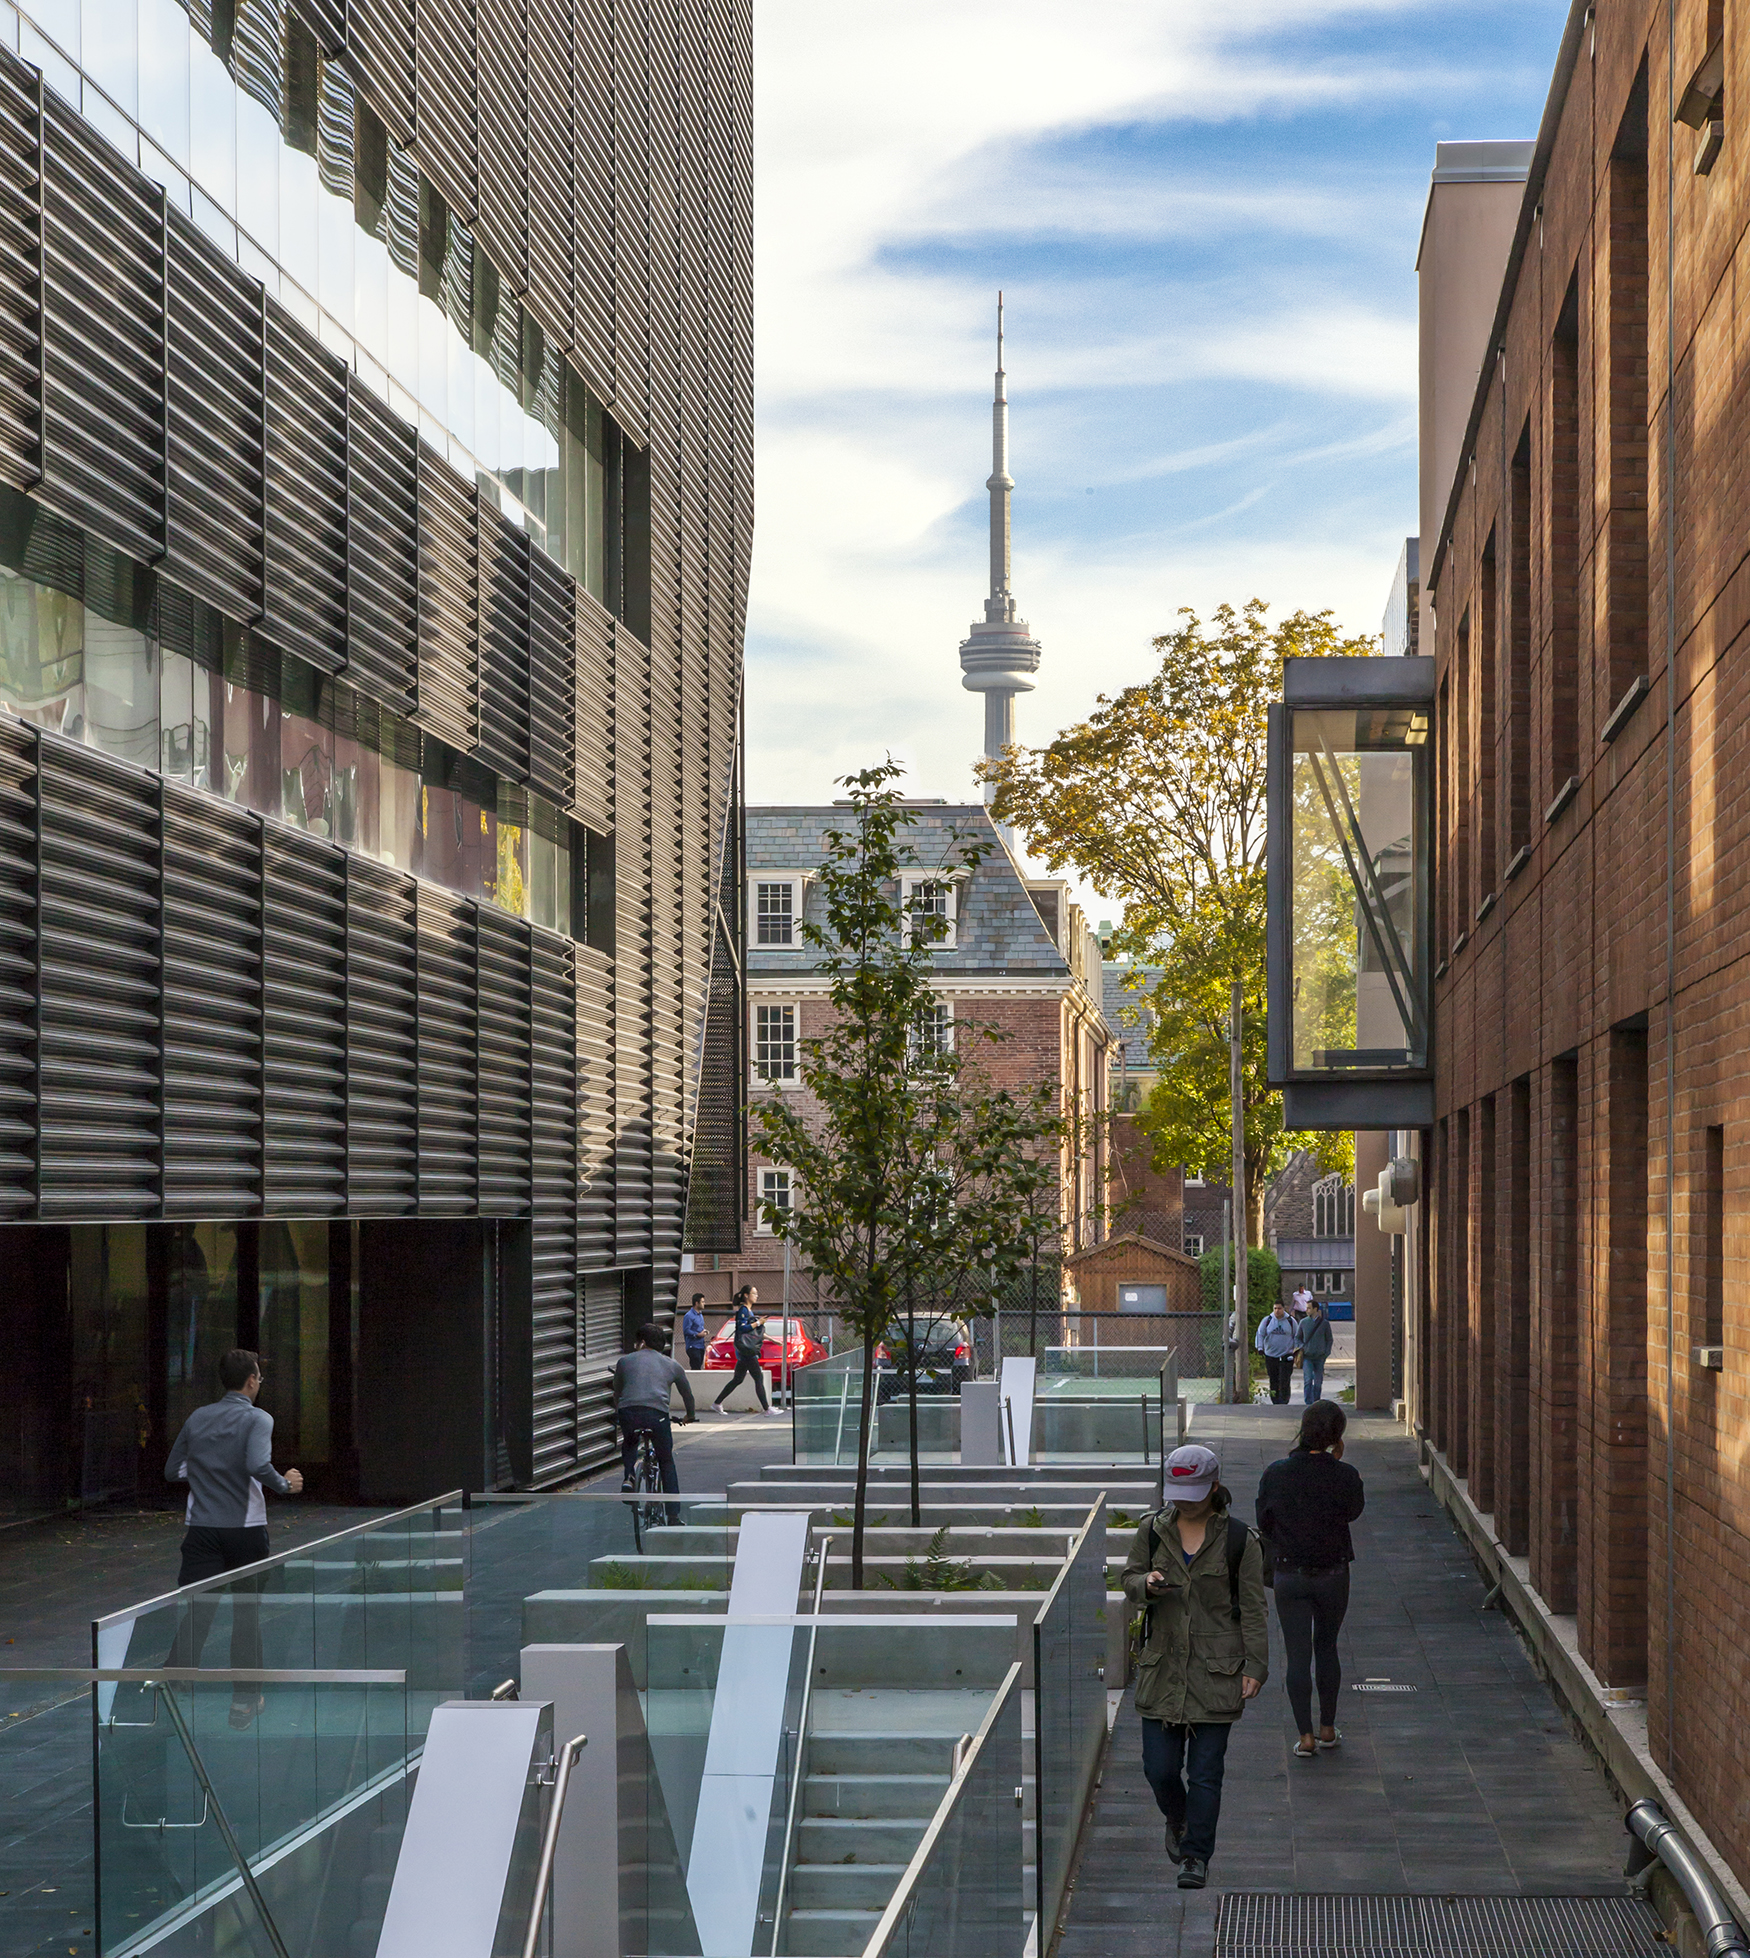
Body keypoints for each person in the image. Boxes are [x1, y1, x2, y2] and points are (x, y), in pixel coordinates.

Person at [1120, 1443, 1268, 1891]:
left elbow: (1254, 1609)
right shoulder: (1151, 1530)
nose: (1185, 1502)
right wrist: (1145, 1584)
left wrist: (1256, 1666)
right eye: (1178, 1494)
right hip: (1162, 1670)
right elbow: (1128, 1578)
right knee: (1159, 1769)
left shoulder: (1240, 1540)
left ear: (1215, 1487)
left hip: (1216, 1671)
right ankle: (1178, 1818)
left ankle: (1196, 1856)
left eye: (1194, 1494)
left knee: (1206, 1774)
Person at [163, 1349, 303, 1724]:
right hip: (246, 1532)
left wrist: (209, 1468)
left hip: (202, 1529)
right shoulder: (258, 1418)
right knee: (246, 1614)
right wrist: (284, 1484)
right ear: (251, 1380)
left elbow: (173, 1470)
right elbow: (257, 1464)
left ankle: (173, 1686)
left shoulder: (197, 1417)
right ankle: (244, 1699)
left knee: (199, 1610)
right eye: (260, 1377)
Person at [1255, 1399, 1365, 1759]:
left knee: (1297, 1653)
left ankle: (1305, 1736)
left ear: (1302, 1430)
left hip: (1290, 1572)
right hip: (1333, 1572)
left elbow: (1264, 1520)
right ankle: (1328, 1727)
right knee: (1327, 1646)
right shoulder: (1345, 1475)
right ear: (1337, 1437)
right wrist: (1337, 1461)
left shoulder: (1277, 1473)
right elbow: (1353, 1511)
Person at [613, 1322, 696, 1495]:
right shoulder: (673, 1365)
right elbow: (687, 1395)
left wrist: (619, 1413)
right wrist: (690, 1415)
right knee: (666, 1460)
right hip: (657, 1415)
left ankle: (629, 1476)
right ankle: (673, 1509)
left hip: (628, 1413)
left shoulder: (624, 1361)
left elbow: (617, 1393)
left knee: (629, 1442)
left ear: (642, 1342)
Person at [713, 1284, 774, 1414]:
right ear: (746, 1295)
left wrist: (772, 1339)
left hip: (745, 1351)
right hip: (746, 1351)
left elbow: (753, 1333)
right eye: (754, 1293)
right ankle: (767, 1409)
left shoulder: (749, 1311)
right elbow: (742, 1328)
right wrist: (759, 1323)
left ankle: (717, 1403)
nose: (756, 1296)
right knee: (758, 1378)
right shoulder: (743, 1310)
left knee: (738, 1379)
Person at [1254, 1299, 1298, 1403]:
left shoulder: (1291, 1321)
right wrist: (1260, 1348)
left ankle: (1284, 1400)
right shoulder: (1267, 1320)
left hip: (1286, 1355)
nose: (1277, 1311)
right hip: (1271, 1355)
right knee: (1273, 1379)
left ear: (1284, 1309)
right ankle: (1275, 1400)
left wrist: (1296, 1350)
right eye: (1275, 1308)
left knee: (1284, 1380)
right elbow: (1260, 1334)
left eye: (1279, 1308)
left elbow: (1297, 1336)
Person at [1296, 1297, 1334, 1404]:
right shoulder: (1303, 1322)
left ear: (1315, 1309)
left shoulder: (1324, 1324)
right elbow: (1297, 1337)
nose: (1306, 1310)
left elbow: (1329, 1339)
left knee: (1318, 1382)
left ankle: (1316, 1402)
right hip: (1307, 1356)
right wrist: (1302, 1347)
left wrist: (1326, 1352)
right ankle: (1308, 1403)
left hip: (1319, 1357)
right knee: (1308, 1380)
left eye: (1309, 1308)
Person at [682, 1293, 708, 1370]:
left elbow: (699, 1327)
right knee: (695, 1366)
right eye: (702, 1302)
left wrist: (704, 1332)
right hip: (693, 1346)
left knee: (699, 1366)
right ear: (697, 1303)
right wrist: (697, 1334)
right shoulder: (689, 1316)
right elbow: (686, 1330)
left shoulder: (700, 1315)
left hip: (701, 1345)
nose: (704, 1303)